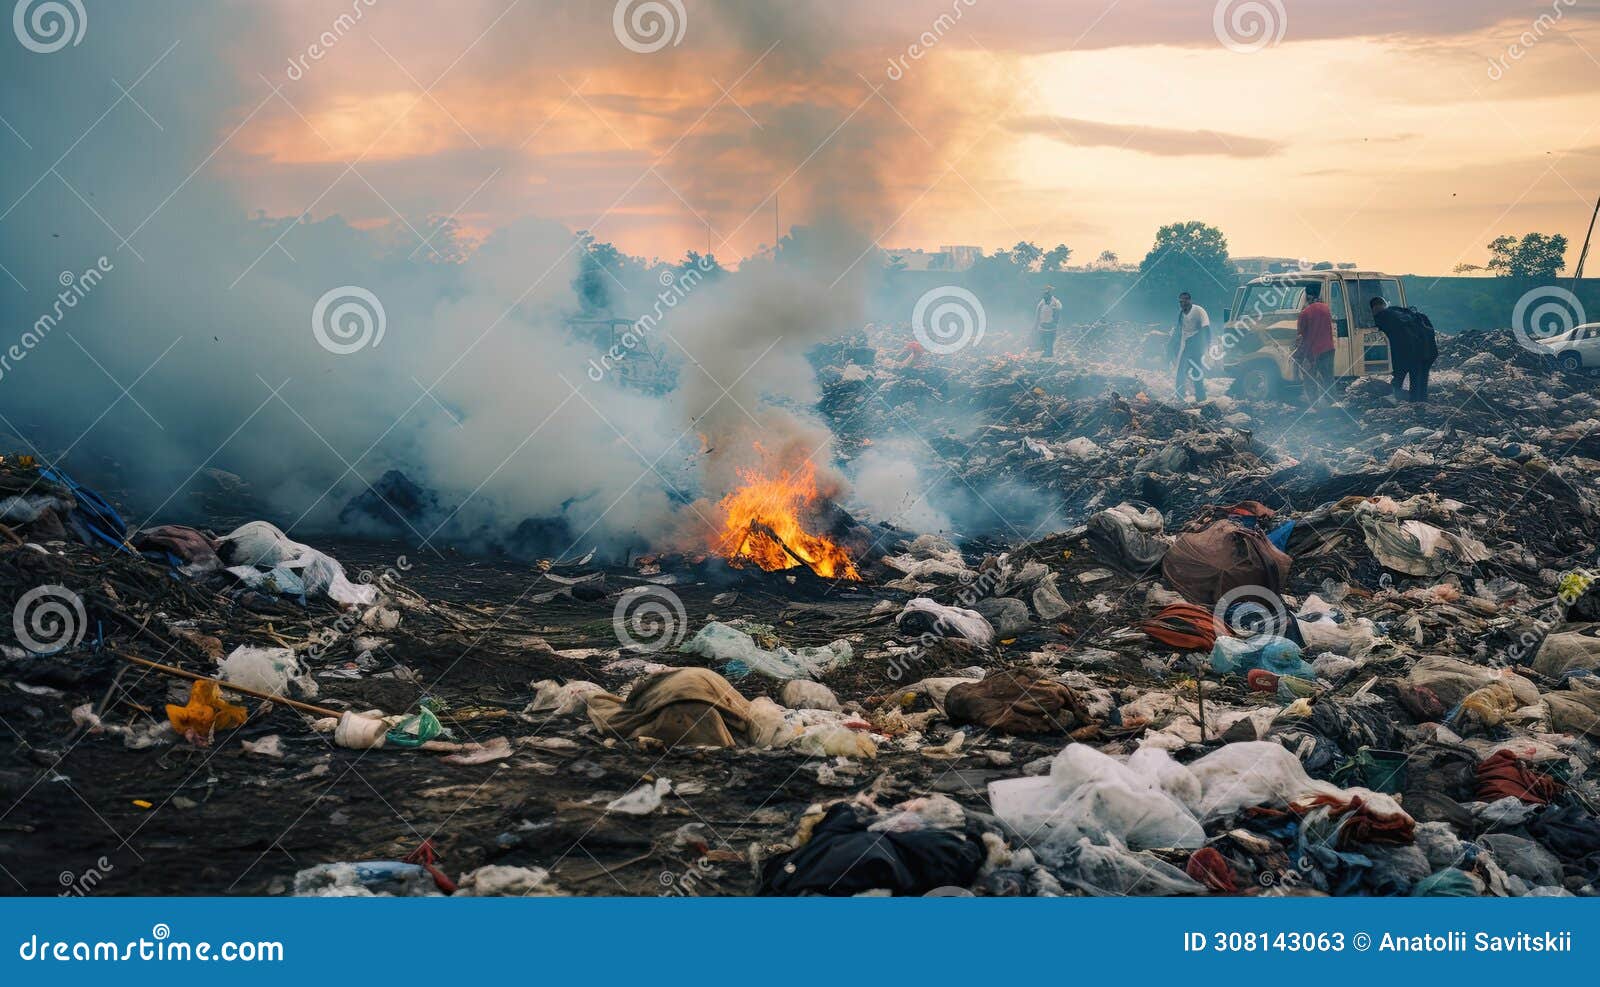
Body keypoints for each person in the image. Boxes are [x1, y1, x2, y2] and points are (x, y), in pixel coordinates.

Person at [1370, 297, 1435, 402]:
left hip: (1413, 351)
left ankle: (1411, 406)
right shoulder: (1402, 311)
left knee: (1409, 381)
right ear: (1385, 304)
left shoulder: (1382, 316)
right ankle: (1421, 407)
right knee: (1421, 383)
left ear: (1374, 309)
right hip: (1429, 350)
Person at [1295, 284, 1336, 406]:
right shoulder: (1326, 308)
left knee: (1309, 378)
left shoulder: (1304, 313)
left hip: (1312, 351)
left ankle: (1314, 404)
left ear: (1307, 296)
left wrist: (1299, 354)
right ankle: (1332, 402)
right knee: (1328, 377)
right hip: (1329, 348)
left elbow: (1302, 336)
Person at [1169, 291, 1211, 403]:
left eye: (1184, 301)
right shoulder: (1181, 314)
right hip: (1186, 345)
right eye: (1180, 302)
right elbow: (1179, 331)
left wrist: (1208, 347)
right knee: (1181, 372)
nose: (1182, 304)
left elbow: (1207, 329)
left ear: (1189, 301)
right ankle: (1180, 397)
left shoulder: (1199, 311)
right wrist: (1172, 345)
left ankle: (1201, 398)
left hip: (1197, 344)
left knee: (1197, 372)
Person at [1034, 286, 1062, 356]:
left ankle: (1049, 353)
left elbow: (1057, 315)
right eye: (1044, 293)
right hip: (1042, 326)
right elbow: (1038, 314)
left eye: (1047, 293)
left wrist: (1054, 323)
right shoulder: (1041, 303)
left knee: (1050, 341)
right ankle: (1046, 352)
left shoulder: (1056, 303)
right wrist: (1036, 325)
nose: (1045, 295)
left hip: (1051, 326)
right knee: (1043, 341)